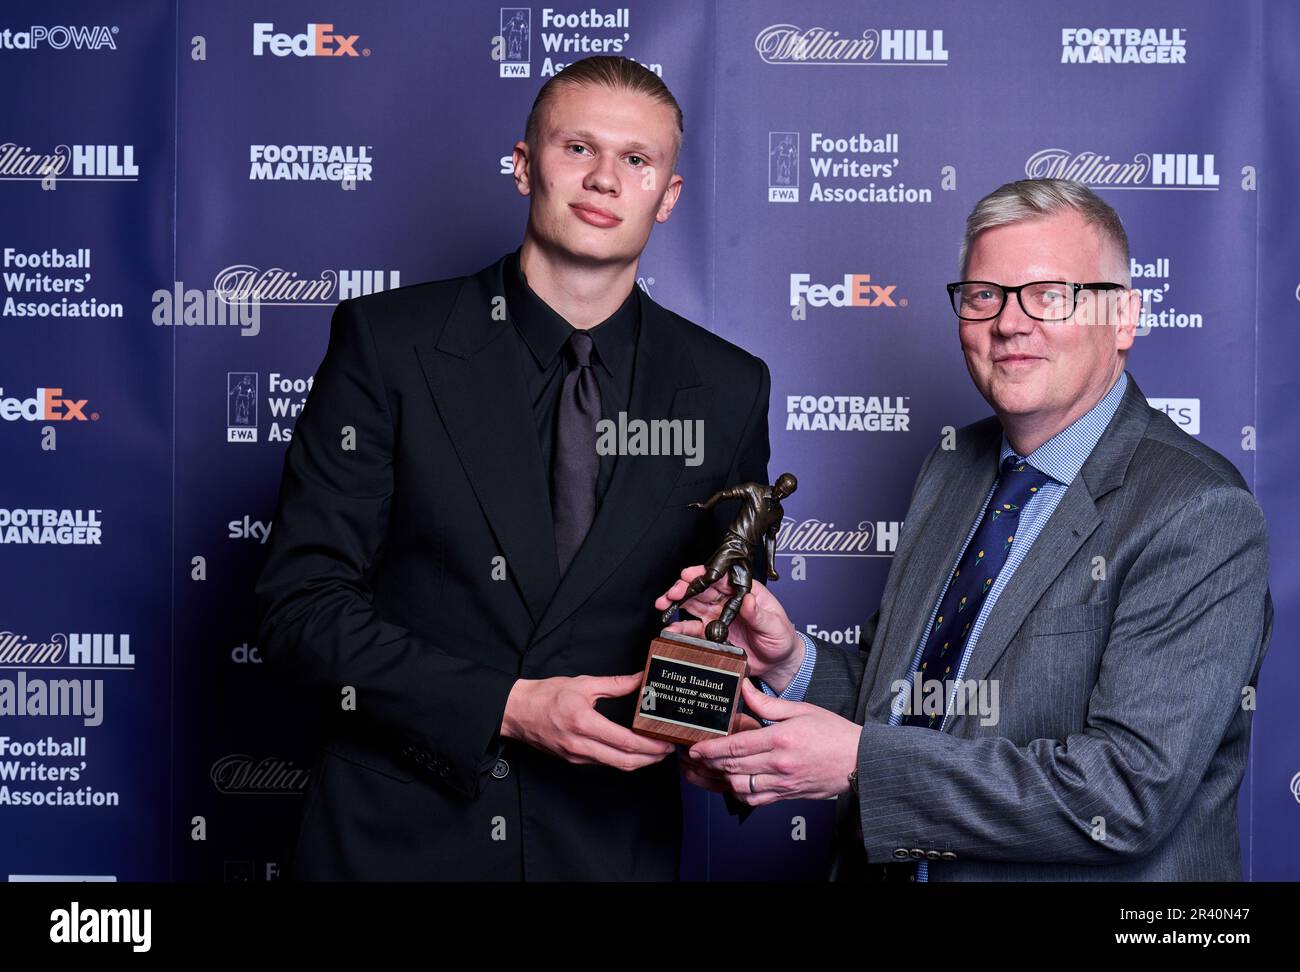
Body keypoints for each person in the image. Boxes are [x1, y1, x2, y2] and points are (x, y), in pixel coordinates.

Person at [658, 178, 1273, 881]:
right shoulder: (952, 470)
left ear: (1124, 318)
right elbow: (912, 704)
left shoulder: (1197, 510)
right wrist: (791, 661)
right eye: (984, 295)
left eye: (1050, 295)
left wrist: (862, 766)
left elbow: (1127, 791)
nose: (1010, 323)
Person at [256, 56, 772, 880]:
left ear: (668, 196)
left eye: (637, 161)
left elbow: (708, 613)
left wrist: (716, 706)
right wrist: (508, 707)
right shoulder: (389, 344)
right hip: (397, 843)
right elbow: (299, 609)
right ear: (525, 163)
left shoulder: (729, 385)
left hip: (609, 846)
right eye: (578, 148)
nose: (605, 178)